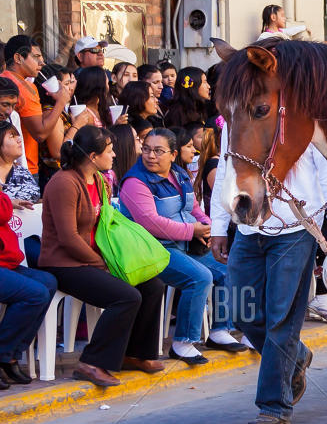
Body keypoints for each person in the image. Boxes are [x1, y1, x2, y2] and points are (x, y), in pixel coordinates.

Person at [210, 130, 327, 424]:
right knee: (240, 311)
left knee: (280, 319)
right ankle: (297, 355)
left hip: (295, 229)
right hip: (247, 228)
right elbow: (227, 171)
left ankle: (273, 405)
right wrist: (218, 225)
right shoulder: (238, 114)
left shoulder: (303, 111)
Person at [39, 125, 166, 387]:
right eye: (109, 151)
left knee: (153, 285)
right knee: (126, 296)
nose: (114, 155)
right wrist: (103, 264)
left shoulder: (98, 180)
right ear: (93, 156)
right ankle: (91, 362)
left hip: (92, 259)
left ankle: (135, 353)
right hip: (64, 264)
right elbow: (68, 238)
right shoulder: (64, 182)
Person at [119, 128, 245, 365]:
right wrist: (192, 231)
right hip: (152, 250)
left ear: (173, 154)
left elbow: (194, 208)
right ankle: (183, 342)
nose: (150, 156)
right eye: (146, 149)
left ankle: (219, 331)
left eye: (158, 151)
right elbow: (151, 223)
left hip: (184, 245)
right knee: (200, 277)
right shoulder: (135, 182)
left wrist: (207, 227)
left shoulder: (179, 175)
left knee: (227, 269)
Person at [0, 172, 56, 388]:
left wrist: (8, 200)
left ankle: (11, 354)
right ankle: (4, 353)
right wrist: (6, 201)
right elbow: (3, 212)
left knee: (48, 282)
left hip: (8, 263)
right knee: (35, 293)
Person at [4, 34, 74, 177]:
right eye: (36, 57)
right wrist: (61, 102)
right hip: (25, 167)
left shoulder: (4, 79)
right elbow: (40, 134)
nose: (42, 63)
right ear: (18, 58)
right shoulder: (24, 88)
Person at [0, 121, 41, 206]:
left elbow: (34, 202)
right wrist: (9, 204)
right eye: (12, 136)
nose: (19, 140)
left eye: (18, 136)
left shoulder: (23, 172)